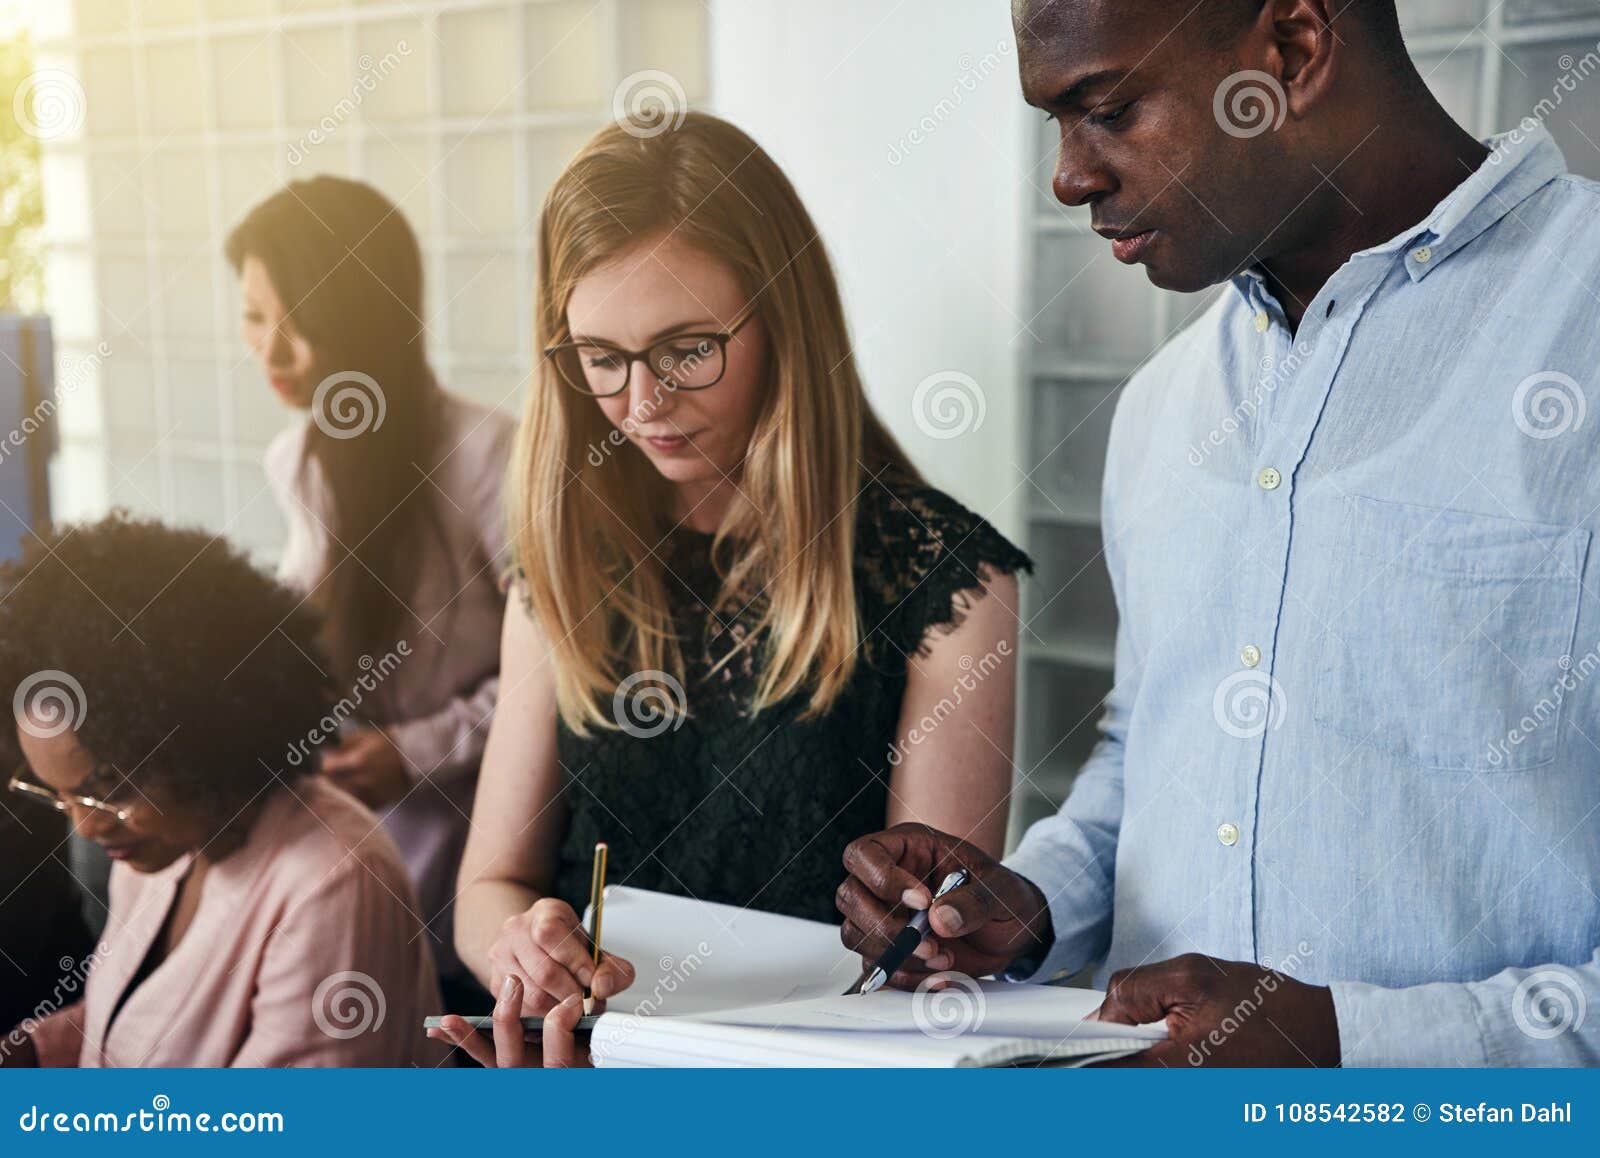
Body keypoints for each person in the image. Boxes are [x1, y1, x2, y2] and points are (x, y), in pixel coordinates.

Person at [838, 0, 1600, 1068]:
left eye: (1104, 108)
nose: (1068, 178)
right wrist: (1032, 903)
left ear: (1289, 46)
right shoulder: (1165, 406)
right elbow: (1143, 750)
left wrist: (1349, 1043)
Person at [451, 110, 1031, 1039]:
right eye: (601, 358)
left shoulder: (944, 579)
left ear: (783, 323)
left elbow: (928, 964)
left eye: (688, 350)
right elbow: (489, 888)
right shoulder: (564, 555)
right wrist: (522, 953)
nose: (643, 404)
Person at [0, 515, 443, 1067]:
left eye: (105, 789)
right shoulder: (161, 848)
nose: (85, 826)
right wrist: (31, 1052)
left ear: (199, 738)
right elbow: (135, 1025)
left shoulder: (331, 886)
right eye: (58, 795)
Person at [228, 177, 514, 1009]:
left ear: (368, 318)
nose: (272, 352)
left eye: (300, 322)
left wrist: (418, 752)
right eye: (253, 317)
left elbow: (562, 679)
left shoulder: (489, 457)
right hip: (340, 863)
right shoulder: (298, 461)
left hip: (473, 873)